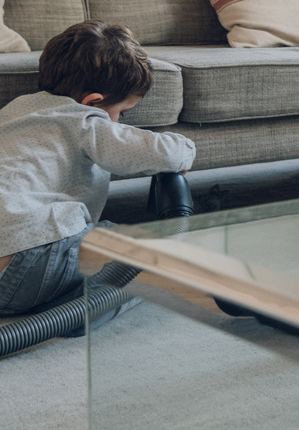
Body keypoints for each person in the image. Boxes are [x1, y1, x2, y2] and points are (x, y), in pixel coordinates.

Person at [0, 21, 195, 332]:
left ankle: (62, 307)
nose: (119, 122)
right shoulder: (83, 120)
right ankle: (82, 310)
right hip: (30, 259)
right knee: (152, 258)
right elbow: (161, 154)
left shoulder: (13, 111)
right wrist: (185, 148)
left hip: (14, 269)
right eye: (123, 113)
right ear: (92, 102)